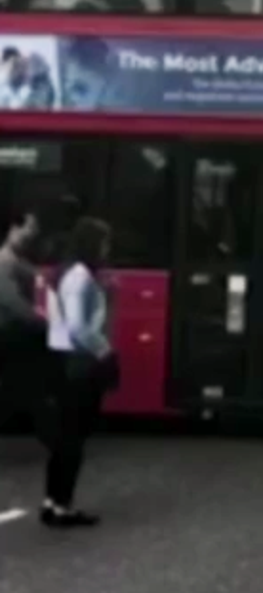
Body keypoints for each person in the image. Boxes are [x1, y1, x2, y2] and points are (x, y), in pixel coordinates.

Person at [42, 217, 119, 529]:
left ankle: (52, 502)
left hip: (60, 358)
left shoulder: (64, 272)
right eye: (104, 243)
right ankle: (63, 506)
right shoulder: (80, 277)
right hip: (79, 363)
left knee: (64, 436)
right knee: (74, 437)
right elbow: (78, 327)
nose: (106, 250)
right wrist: (105, 352)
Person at [0, 207, 50, 422]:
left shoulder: (18, 260)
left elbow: (37, 276)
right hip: (7, 331)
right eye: (30, 227)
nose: (34, 233)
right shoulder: (4, 260)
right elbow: (11, 301)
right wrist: (40, 320)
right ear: (14, 228)